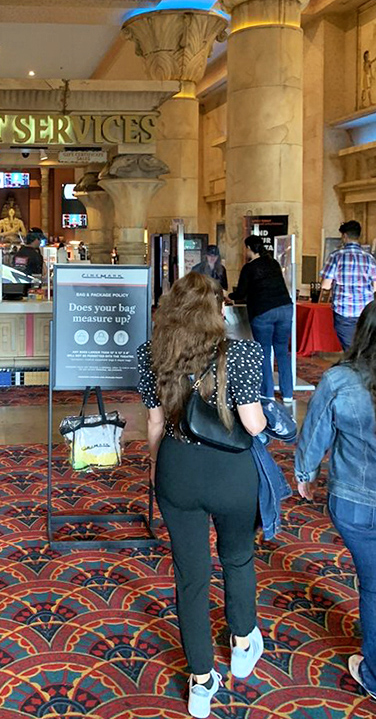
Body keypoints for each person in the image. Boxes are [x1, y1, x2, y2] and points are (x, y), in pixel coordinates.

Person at [138, 273, 267, 718]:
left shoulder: (152, 354)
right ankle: (243, 639)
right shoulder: (243, 353)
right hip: (232, 473)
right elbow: (254, 426)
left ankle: (200, 680)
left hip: (178, 468)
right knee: (237, 557)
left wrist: (158, 470)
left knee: (191, 576)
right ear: (218, 309)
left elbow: (155, 426)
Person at [295, 300, 376, 703]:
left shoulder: (340, 379)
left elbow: (315, 433)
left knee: (374, 586)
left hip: (355, 502)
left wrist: (304, 475)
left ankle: (374, 674)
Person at [231, 234, 294, 403]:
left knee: (264, 351)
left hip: (263, 312)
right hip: (285, 308)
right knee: (282, 351)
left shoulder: (249, 268)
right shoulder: (273, 262)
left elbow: (240, 293)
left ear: (249, 248)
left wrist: (228, 295)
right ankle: (288, 393)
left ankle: (268, 393)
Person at [321, 220, 376, 351]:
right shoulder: (369, 258)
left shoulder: (336, 256)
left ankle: (355, 370)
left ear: (344, 236)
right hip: (366, 311)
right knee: (365, 347)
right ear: (359, 236)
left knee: (350, 350)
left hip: (343, 311)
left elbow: (326, 285)